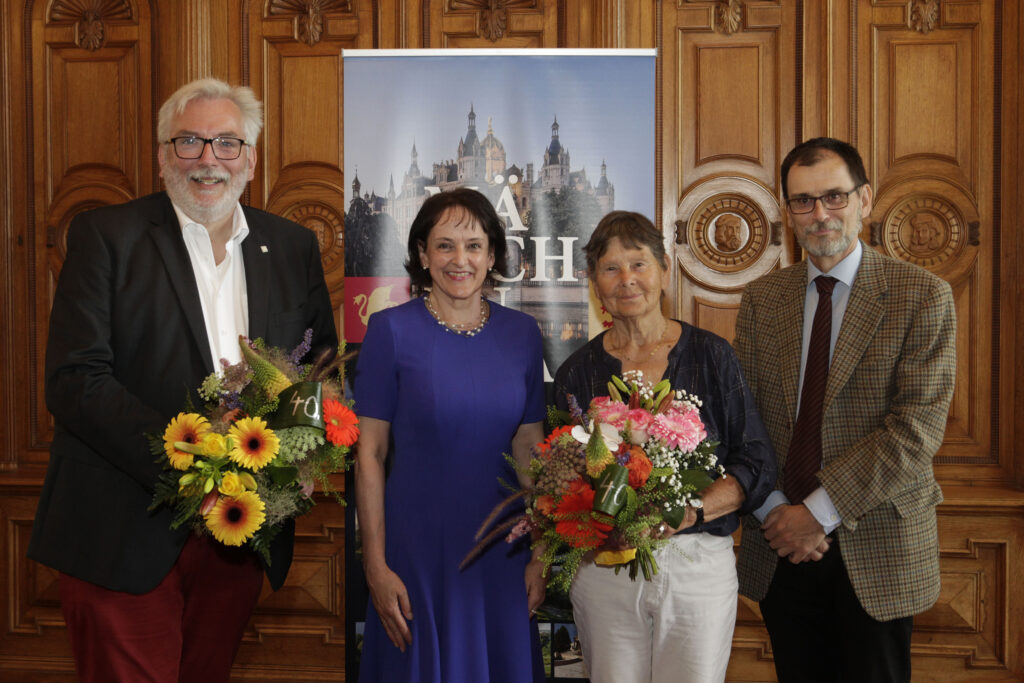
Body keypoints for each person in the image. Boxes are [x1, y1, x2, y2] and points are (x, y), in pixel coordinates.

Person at [27, 78, 338, 682]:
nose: (207, 160)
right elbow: (74, 380)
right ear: (164, 153)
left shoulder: (292, 245)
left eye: (226, 143)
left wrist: (280, 465)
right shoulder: (106, 237)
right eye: (189, 141)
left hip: (239, 534)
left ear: (251, 157)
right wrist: (193, 468)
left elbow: (318, 370)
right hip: (119, 528)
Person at [734, 137, 956, 683]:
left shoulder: (921, 295)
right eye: (804, 201)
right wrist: (778, 514)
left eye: (834, 197)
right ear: (788, 213)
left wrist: (818, 511)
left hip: (877, 544)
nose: (820, 214)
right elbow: (746, 421)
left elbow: (915, 430)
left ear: (865, 199)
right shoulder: (763, 299)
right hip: (781, 545)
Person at [553, 210, 777, 683]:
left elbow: (756, 462)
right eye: (610, 268)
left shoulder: (712, 356)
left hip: (696, 564)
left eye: (638, 264)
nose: (626, 280)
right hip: (605, 569)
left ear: (664, 270)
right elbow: (560, 474)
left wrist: (686, 512)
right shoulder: (578, 372)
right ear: (595, 284)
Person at [353, 188, 546, 682]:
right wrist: (375, 564)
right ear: (422, 254)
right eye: (444, 246)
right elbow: (369, 455)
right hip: (416, 551)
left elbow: (530, 451)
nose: (460, 260)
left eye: (474, 246)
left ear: (493, 255)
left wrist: (541, 555)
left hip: (502, 549)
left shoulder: (523, 334)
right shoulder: (389, 331)